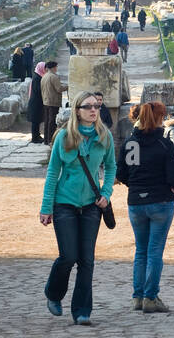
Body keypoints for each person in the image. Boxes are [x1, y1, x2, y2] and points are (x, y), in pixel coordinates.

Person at [39, 91, 116, 324]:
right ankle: (53, 293)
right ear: (77, 110)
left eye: (96, 106)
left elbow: (111, 168)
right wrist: (46, 207)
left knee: (87, 260)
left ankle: (82, 311)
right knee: (68, 256)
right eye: (88, 106)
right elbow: (53, 173)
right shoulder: (64, 137)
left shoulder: (105, 136)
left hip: (91, 205)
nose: (93, 110)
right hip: (64, 203)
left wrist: (106, 193)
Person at [116, 100, 174, 314]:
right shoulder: (164, 144)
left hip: (136, 201)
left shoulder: (129, 143)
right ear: (159, 119)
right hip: (160, 201)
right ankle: (151, 297)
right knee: (155, 252)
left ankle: (137, 296)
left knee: (140, 251)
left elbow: (122, 174)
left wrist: (136, 185)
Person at [41, 60, 65, 146]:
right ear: (54, 67)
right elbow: (59, 89)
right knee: (52, 121)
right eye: (56, 67)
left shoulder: (44, 76)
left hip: (46, 101)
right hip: (53, 101)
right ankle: (51, 139)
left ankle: (46, 140)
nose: (57, 68)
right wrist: (68, 87)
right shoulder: (54, 77)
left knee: (47, 121)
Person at [27, 60, 46, 144]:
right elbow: (38, 90)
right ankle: (35, 138)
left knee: (37, 121)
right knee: (35, 121)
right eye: (44, 68)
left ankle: (37, 135)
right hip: (35, 103)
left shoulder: (39, 76)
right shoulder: (37, 78)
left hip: (37, 102)